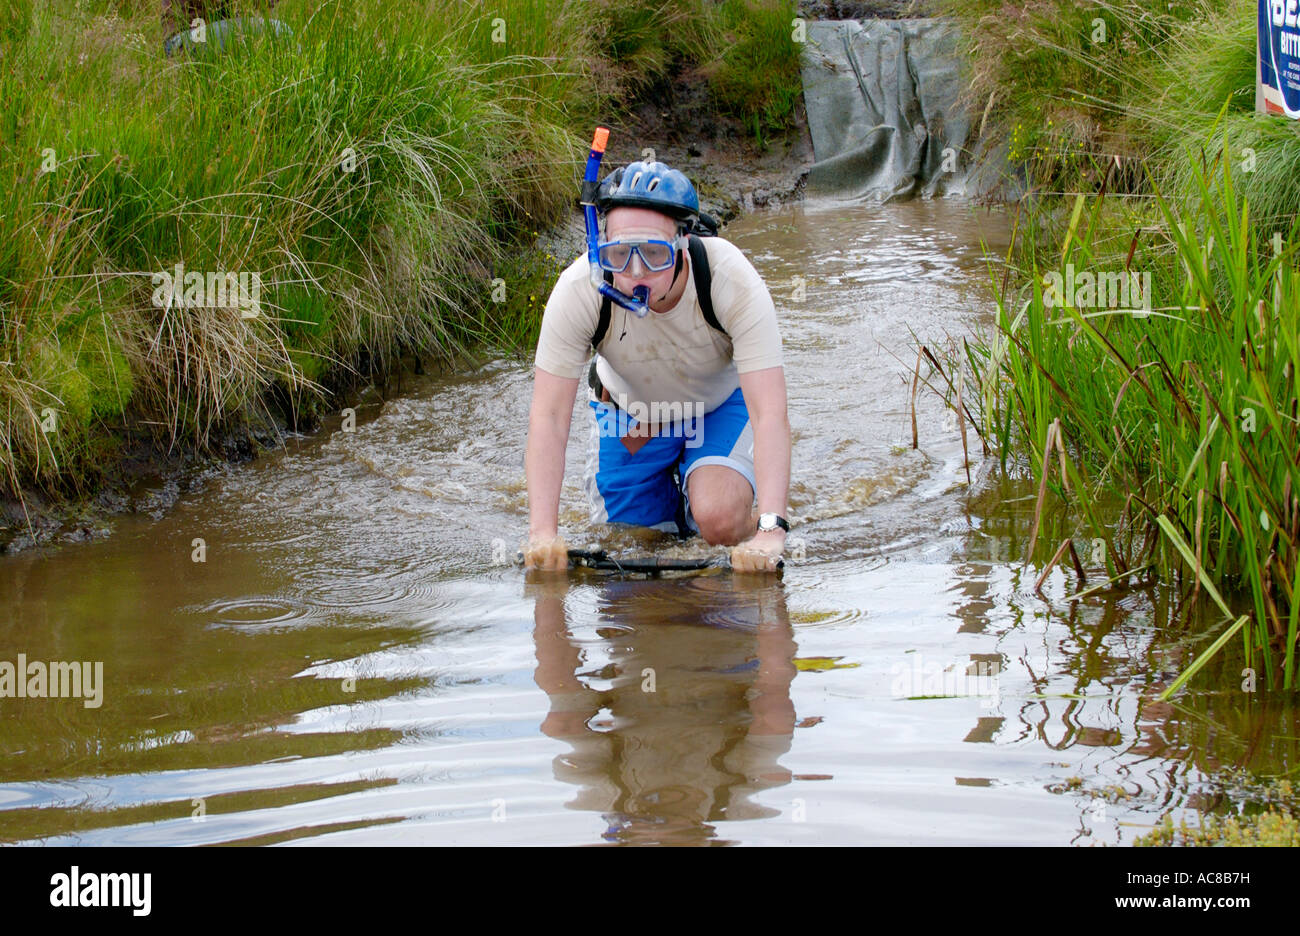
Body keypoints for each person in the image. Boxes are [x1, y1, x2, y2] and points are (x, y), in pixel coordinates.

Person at [522, 159, 790, 573]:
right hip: (633, 415)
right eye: (618, 254)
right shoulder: (580, 290)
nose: (634, 273)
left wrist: (771, 530)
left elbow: (769, 412)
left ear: (683, 243)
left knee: (717, 520)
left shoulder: (730, 279)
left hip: (719, 406)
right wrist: (542, 533)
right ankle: (676, 497)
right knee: (633, 544)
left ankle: (722, 492)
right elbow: (549, 416)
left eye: (653, 254)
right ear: (600, 246)